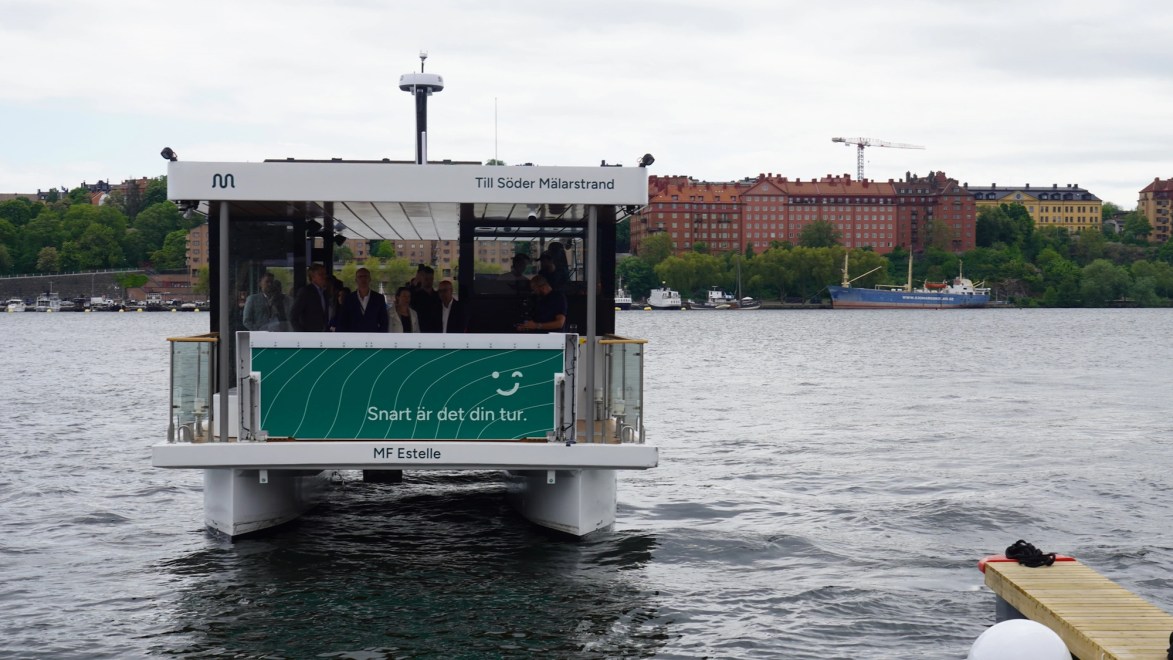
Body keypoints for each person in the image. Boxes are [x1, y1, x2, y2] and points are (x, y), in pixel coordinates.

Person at [338, 267, 388, 332]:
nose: (363, 279)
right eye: (360, 276)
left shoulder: (379, 298)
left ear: (370, 279)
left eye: (365, 276)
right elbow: (343, 320)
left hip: (373, 337)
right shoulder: (349, 299)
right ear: (356, 280)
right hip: (353, 337)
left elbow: (384, 321)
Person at [290, 263, 331, 332]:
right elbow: (293, 316)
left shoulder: (325, 292)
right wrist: (302, 334)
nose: (324, 276)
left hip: (323, 334)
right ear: (313, 277)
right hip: (309, 335)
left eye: (325, 274)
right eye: (321, 274)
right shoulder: (305, 292)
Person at [408, 264, 442, 332]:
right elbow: (407, 295)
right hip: (421, 330)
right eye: (426, 279)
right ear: (421, 279)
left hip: (437, 331)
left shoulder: (438, 296)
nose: (429, 281)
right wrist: (415, 281)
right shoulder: (416, 296)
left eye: (431, 279)